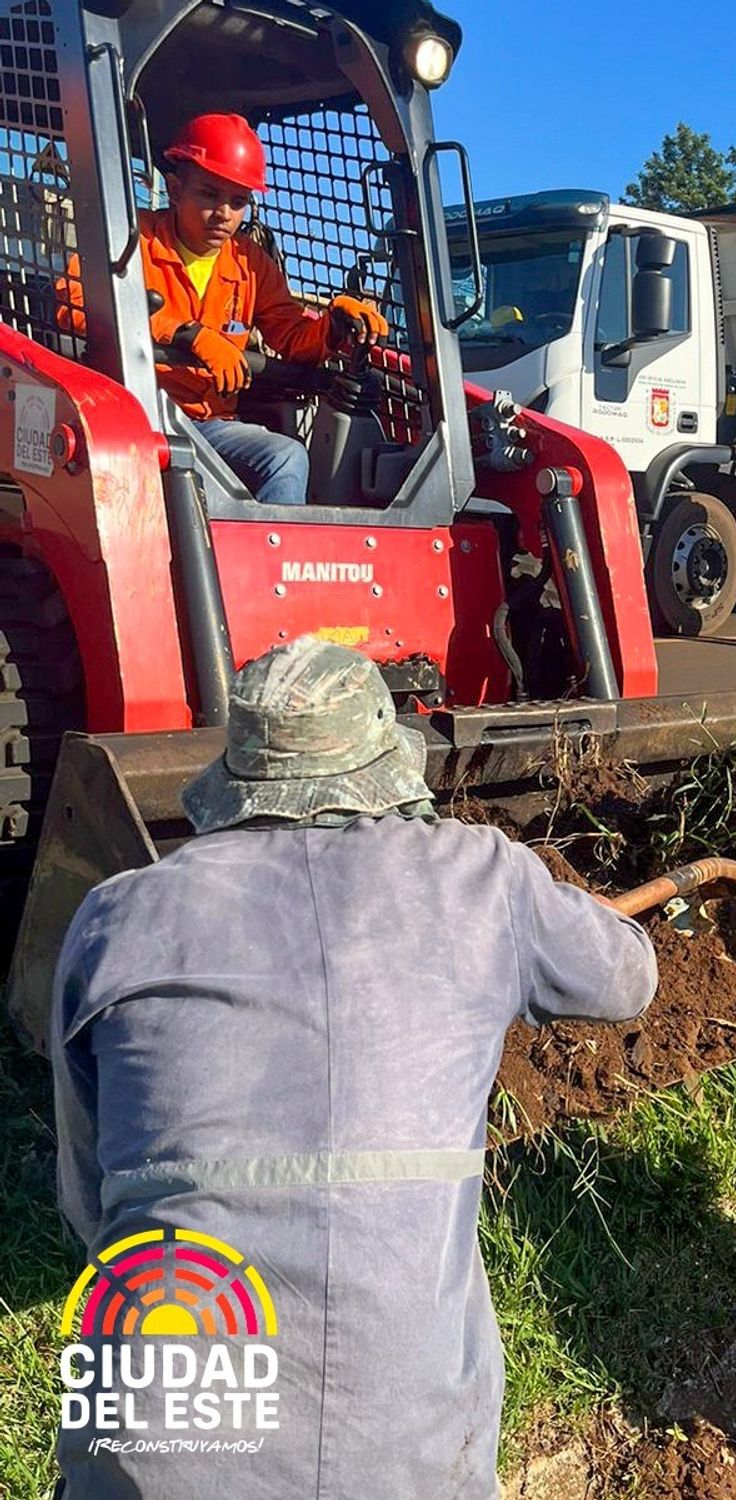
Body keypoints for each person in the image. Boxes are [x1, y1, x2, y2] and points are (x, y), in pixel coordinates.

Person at [50, 637, 657, 1498]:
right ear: (381, 766)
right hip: (402, 1450)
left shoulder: (111, 920)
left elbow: (89, 1198)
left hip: (153, 1447)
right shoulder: (478, 875)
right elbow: (628, 978)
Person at [56, 113, 388, 505]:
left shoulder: (249, 263)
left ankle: (266, 565)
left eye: (238, 201)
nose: (224, 213)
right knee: (195, 482)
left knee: (286, 457)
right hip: (130, 417)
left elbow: (293, 337)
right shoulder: (132, 240)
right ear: (175, 190)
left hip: (210, 422)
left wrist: (334, 325)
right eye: (209, 194)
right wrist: (187, 334)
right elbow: (74, 301)